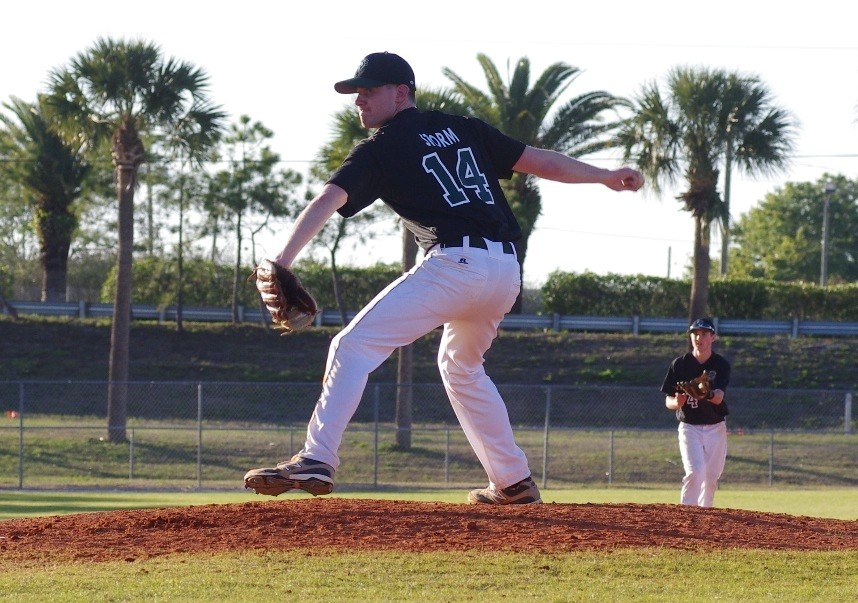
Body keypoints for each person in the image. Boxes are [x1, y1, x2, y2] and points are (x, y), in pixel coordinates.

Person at [244, 51, 644, 505]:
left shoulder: (381, 147)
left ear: (401, 93)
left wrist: (282, 260)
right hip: (505, 272)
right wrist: (606, 176)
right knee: (461, 366)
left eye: (369, 90)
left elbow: (329, 199)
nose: (360, 100)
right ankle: (512, 481)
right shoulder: (463, 128)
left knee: (352, 346)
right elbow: (542, 162)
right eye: (357, 93)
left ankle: (316, 459)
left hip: (456, 266)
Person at [660, 317, 731, 507]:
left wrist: (705, 394)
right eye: (695, 334)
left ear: (713, 337)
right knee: (695, 472)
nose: (699, 338)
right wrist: (677, 402)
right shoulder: (680, 364)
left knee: (710, 479)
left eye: (704, 334)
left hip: (715, 426)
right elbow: (668, 400)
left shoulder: (721, 364)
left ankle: (705, 517)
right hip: (689, 426)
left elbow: (718, 397)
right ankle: (688, 516)